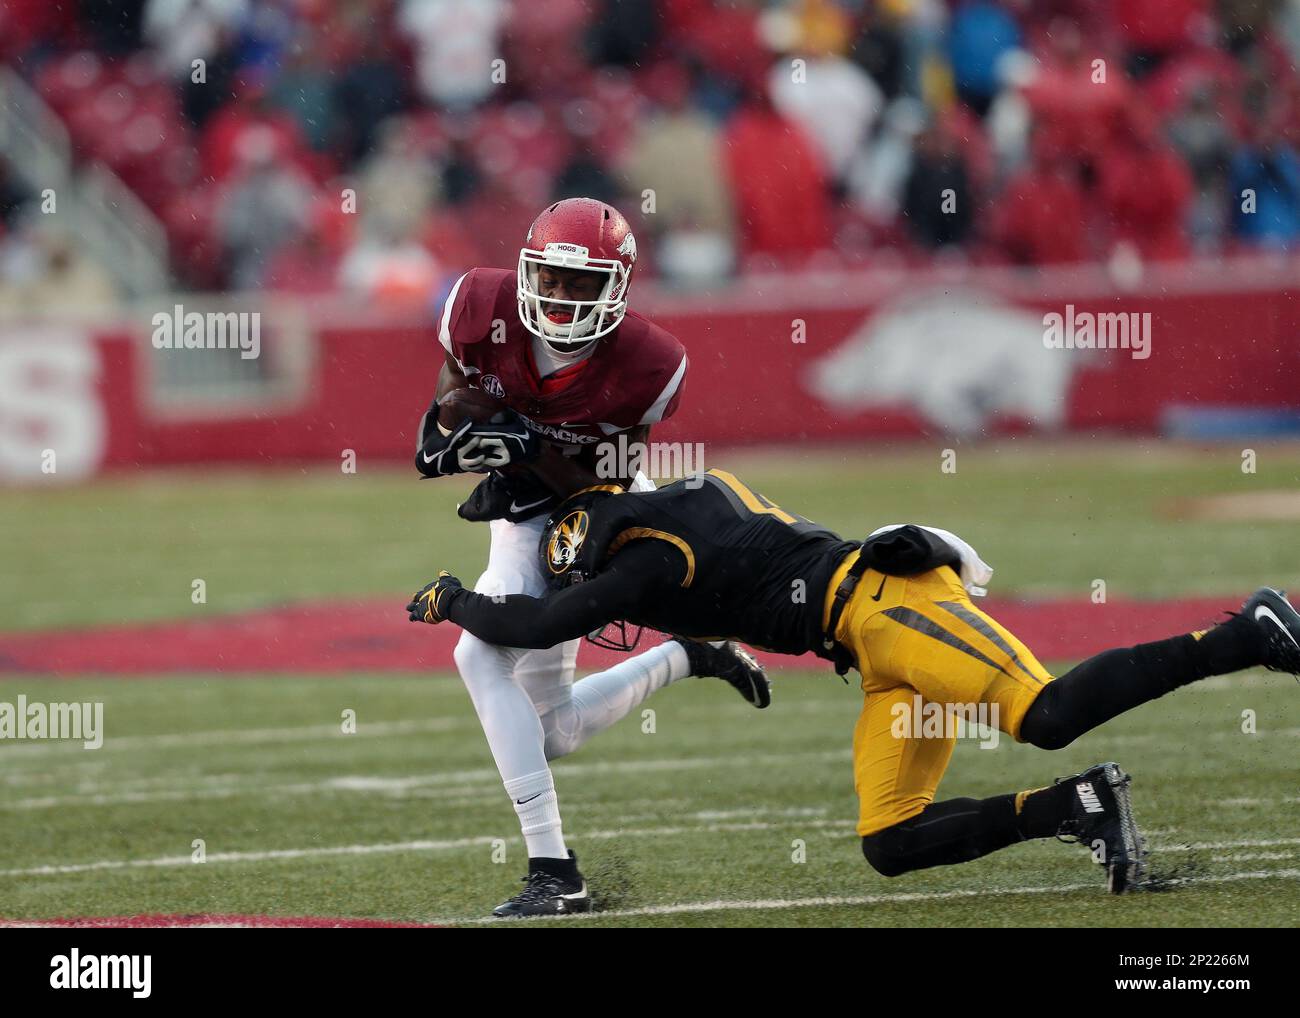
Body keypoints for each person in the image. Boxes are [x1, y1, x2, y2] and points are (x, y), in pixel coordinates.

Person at [408, 469, 1300, 897]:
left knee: (1049, 712)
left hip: (884, 605)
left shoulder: (647, 558)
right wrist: (699, 653)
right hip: (868, 646)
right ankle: (1081, 809)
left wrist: (453, 599)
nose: (592, 592)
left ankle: (1243, 636)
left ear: (606, 540)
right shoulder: (675, 512)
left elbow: (534, 626)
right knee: (892, 841)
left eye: (587, 573)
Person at [412, 199, 768, 918]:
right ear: (525, 272)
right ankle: (688, 657)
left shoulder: (648, 362)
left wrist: (530, 445)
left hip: (601, 506)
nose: (563, 299)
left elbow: (602, 482)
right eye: (552, 279)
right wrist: (463, 426)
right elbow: (450, 399)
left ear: (618, 287)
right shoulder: (479, 305)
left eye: (583, 286)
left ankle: (554, 871)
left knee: (478, 657)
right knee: (556, 732)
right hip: (518, 507)